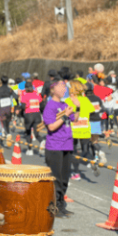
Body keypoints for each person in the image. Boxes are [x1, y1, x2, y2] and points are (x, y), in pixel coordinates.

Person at [43, 76, 78, 218]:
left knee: (64, 178)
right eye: (61, 86)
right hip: (54, 146)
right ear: (53, 89)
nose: (64, 89)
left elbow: (74, 119)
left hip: (67, 144)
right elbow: (51, 126)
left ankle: (62, 205)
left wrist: (77, 107)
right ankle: (54, 206)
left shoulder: (64, 105)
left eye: (65, 86)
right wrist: (65, 116)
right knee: (55, 179)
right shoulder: (50, 105)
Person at [66, 80, 94, 181]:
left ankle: (76, 172)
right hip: (85, 127)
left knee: (73, 151)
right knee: (85, 149)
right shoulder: (86, 100)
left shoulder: (68, 101)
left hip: (73, 129)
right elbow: (92, 112)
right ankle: (91, 163)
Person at [19, 78, 43, 155]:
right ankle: (42, 141)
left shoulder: (25, 94)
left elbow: (23, 106)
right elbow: (41, 102)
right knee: (36, 133)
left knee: (28, 133)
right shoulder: (36, 94)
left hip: (29, 115)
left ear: (26, 88)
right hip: (37, 115)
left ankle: (30, 150)